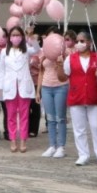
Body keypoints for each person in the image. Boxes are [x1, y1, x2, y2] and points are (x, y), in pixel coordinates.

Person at [63, 31, 97, 166]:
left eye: (82, 41)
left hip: (94, 96)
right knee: (79, 128)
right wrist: (58, 65)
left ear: (89, 43)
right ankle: (83, 154)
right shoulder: (70, 58)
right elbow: (65, 76)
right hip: (77, 96)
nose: (79, 44)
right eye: (77, 41)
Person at [0, 26, 36, 153]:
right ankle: (13, 140)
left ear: (22, 37)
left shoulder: (27, 50)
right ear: (9, 37)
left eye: (18, 35)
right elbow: (1, 70)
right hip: (10, 87)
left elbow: (37, 49)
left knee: (24, 115)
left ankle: (23, 140)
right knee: (11, 115)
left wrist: (31, 36)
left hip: (24, 86)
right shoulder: (4, 52)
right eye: (13, 35)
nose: (15, 37)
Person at [37, 27, 70, 158]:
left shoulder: (65, 52)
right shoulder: (43, 52)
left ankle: (61, 146)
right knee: (50, 118)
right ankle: (52, 145)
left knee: (60, 118)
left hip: (60, 86)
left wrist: (61, 62)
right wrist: (37, 91)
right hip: (46, 87)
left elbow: (68, 71)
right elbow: (41, 72)